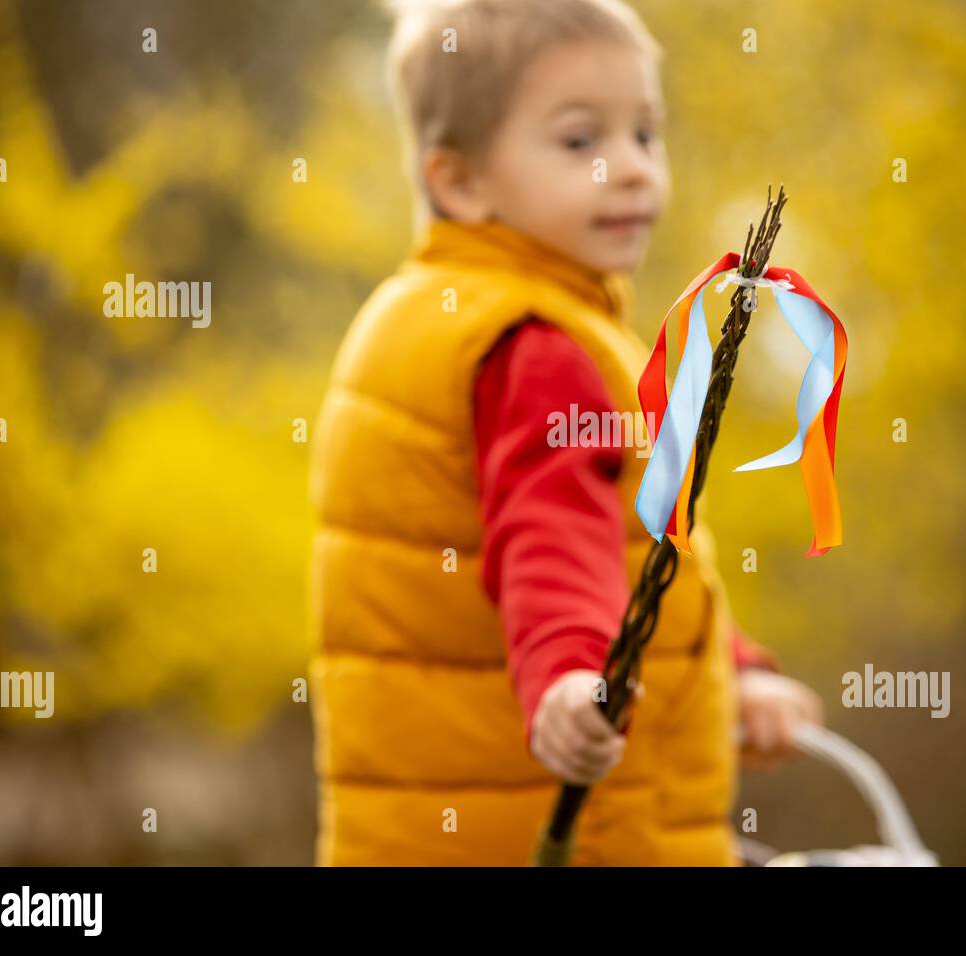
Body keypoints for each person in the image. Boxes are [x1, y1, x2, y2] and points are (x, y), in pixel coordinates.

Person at [308, 0, 821, 866]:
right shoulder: (535, 347)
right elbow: (549, 543)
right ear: (461, 180)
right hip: (578, 839)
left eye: (645, 135)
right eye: (581, 142)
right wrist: (570, 678)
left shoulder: (427, 318)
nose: (629, 169)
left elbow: (623, 563)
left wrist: (732, 669)